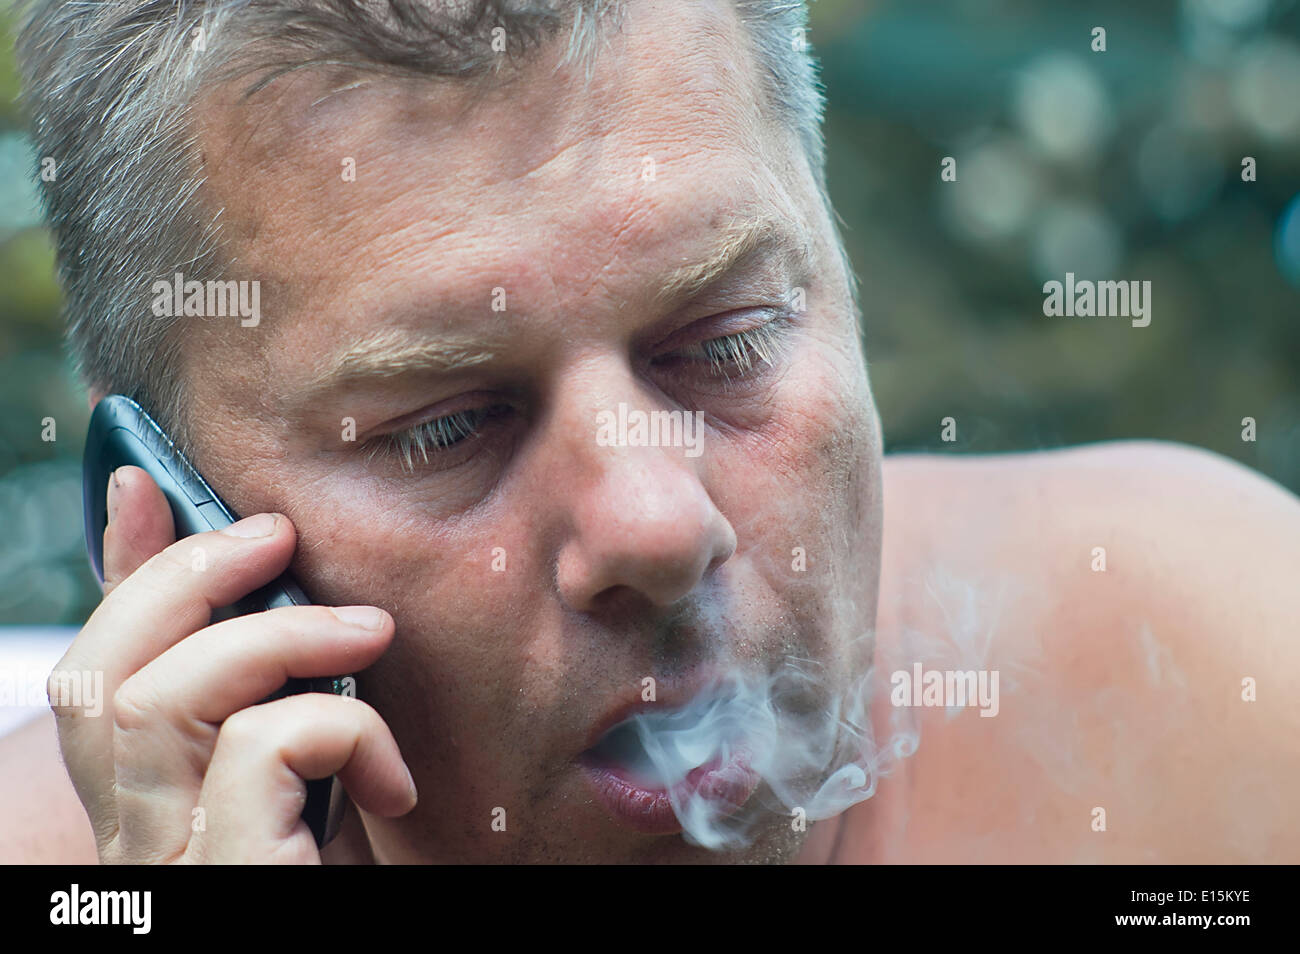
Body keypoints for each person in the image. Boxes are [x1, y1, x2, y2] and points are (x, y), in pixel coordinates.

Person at [2, 0, 1297, 864]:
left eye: (726, 345)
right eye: (448, 425)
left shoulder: (1223, 687)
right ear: (168, 517)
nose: (662, 526)